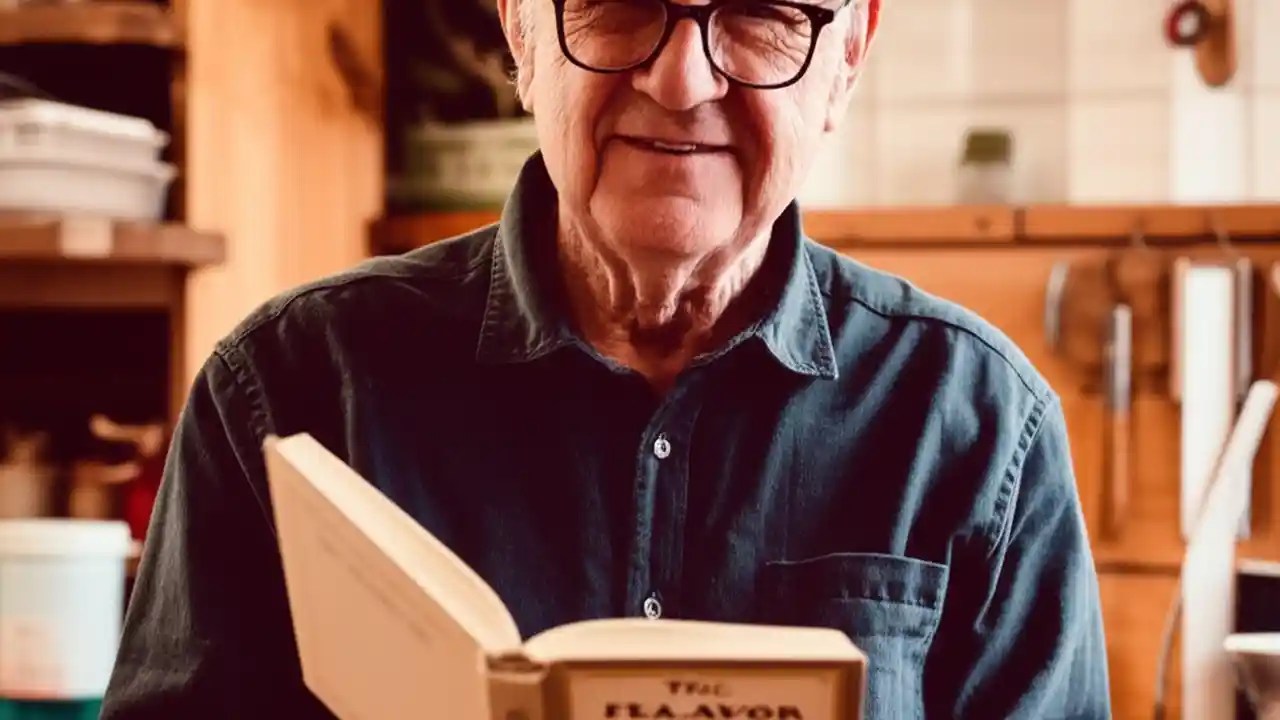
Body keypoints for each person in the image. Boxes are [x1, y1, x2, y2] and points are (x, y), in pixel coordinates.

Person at [101, 0, 1111, 717]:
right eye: (617, 4)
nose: (679, 80)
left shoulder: (978, 425)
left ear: (847, 51)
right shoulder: (283, 391)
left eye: (760, 13)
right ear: (518, 29)